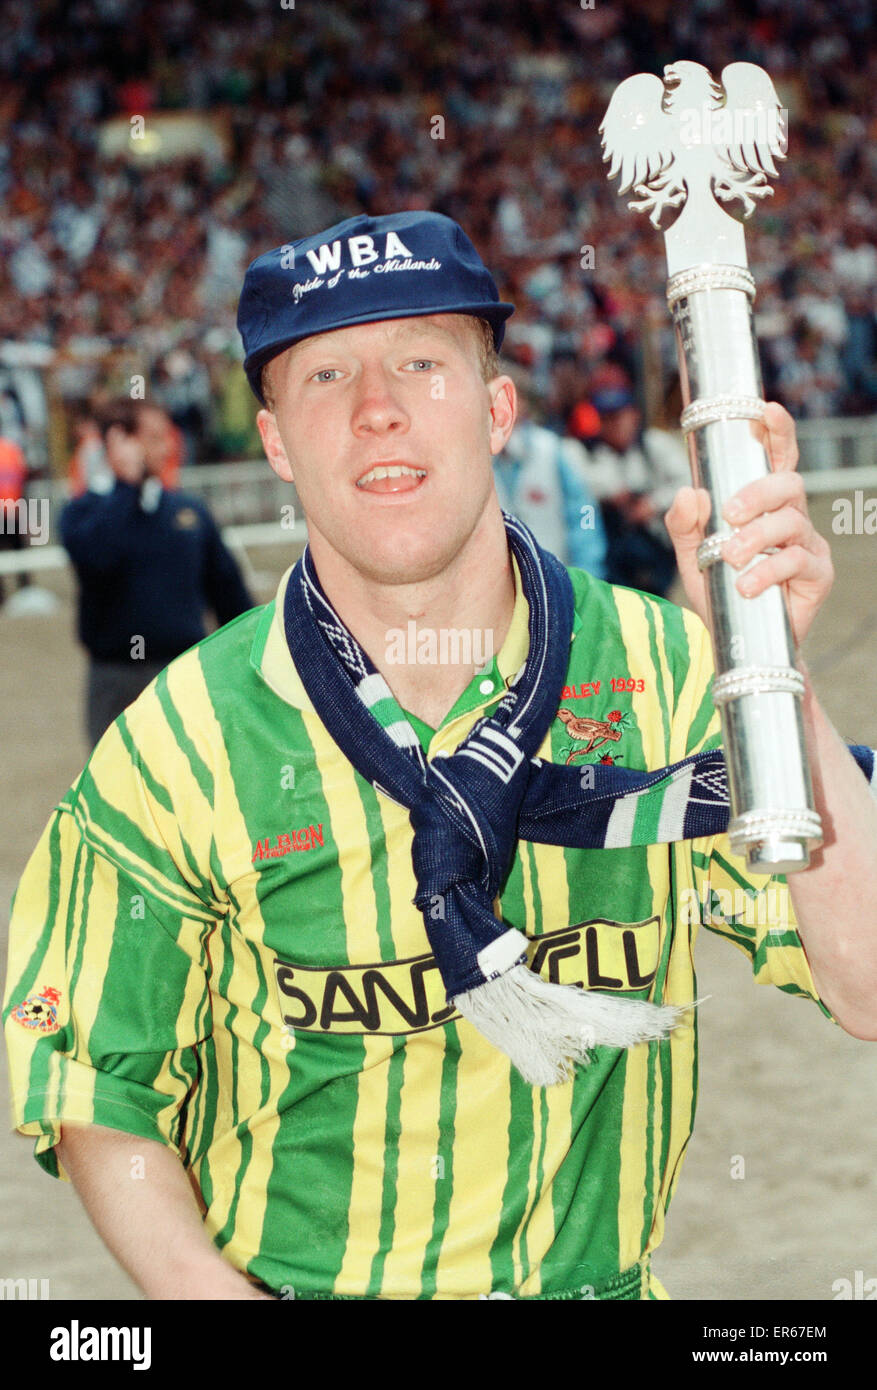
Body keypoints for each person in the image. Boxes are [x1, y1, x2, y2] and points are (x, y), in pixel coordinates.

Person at [4, 212, 877, 1303]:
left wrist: (770, 667)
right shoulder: (177, 743)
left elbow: (866, 983)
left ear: (498, 406)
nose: (377, 408)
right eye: (324, 375)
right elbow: (96, 1080)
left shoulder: (663, 669)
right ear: (274, 441)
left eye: (420, 360)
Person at [59, 397, 255, 749]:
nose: (167, 447)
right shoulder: (82, 513)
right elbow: (96, 559)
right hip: (114, 680)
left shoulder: (189, 511)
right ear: (120, 440)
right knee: (117, 793)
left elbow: (230, 595)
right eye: (153, 437)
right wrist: (126, 485)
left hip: (185, 674)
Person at [492, 365, 608, 578]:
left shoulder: (552, 449)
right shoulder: (475, 455)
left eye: (508, 399)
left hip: (557, 582)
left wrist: (588, 572)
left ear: (523, 404)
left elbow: (585, 512)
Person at [582, 385, 691, 597]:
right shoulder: (590, 452)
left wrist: (652, 504)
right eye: (607, 419)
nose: (615, 425)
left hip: (659, 546)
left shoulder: (654, 444)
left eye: (619, 417)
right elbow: (582, 490)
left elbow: (687, 482)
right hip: (613, 554)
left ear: (634, 416)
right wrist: (612, 496)